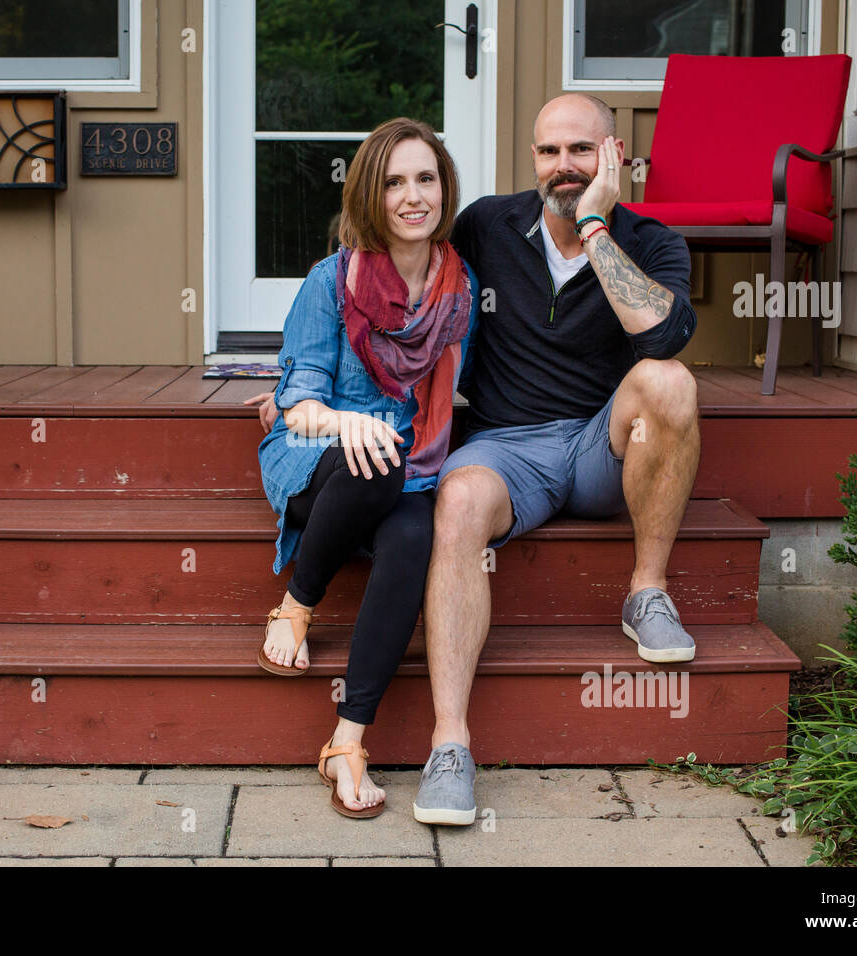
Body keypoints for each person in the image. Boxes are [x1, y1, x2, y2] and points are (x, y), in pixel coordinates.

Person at [408, 93, 702, 826]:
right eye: (548, 152)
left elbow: (661, 342)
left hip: (606, 441)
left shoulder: (654, 240)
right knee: (461, 501)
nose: (561, 168)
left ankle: (646, 592)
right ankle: (450, 746)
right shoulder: (486, 225)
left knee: (668, 382)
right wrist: (305, 388)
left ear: (614, 157)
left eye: (580, 150)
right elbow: (397, 264)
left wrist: (597, 224)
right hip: (509, 447)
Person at [243, 117, 479, 819]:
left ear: (444, 189)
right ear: (370, 197)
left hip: (407, 463)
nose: (413, 196)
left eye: (426, 179)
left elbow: (455, 387)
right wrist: (345, 419)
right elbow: (300, 403)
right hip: (319, 458)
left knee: (413, 536)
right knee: (374, 459)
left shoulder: (459, 292)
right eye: (395, 181)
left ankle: (348, 742)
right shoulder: (331, 282)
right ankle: (296, 604)